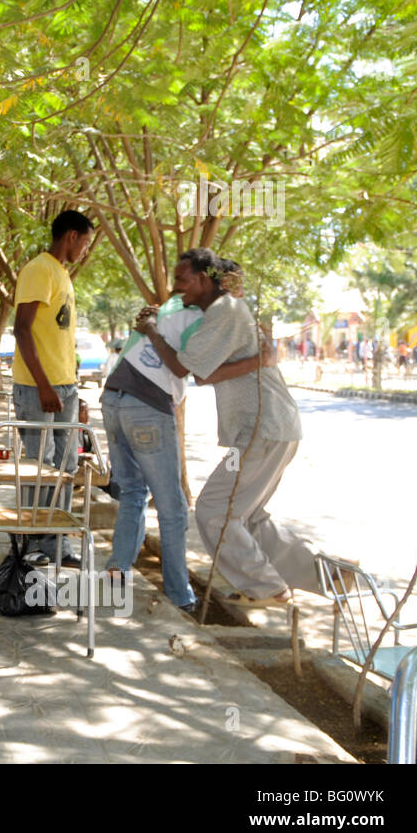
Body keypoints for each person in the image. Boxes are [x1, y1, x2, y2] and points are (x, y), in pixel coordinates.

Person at [135, 249, 313, 605]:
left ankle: (267, 588)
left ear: (204, 279)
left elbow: (189, 369)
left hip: (264, 432)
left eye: (183, 280)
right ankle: (328, 574)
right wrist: (255, 362)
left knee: (214, 510)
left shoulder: (226, 310)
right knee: (247, 516)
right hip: (258, 435)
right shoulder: (218, 312)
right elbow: (206, 372)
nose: (177, 288)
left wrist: (152, 332)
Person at [100, 260, 270, 612]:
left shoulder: (172, 306)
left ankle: (116, 573)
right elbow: (195, 371)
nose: (239, 293)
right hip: (146, 404)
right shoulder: (211, 315)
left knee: (132, 491)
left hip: (113, 398)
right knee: (173, 508)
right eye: (235, 285)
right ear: (219, 284)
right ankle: (180, 596)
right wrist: (259, 362)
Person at [11, 209, 95, 567]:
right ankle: (31, 544)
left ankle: (57, 542)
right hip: (37, 387)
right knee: (40, 467)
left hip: (65, 387)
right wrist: (45, 386)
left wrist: (72, 392)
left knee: (66, 465)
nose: (86, 250)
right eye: (86, 242)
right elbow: (22, 329)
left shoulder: (62, 274)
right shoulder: (39, 270)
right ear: (71, 236)